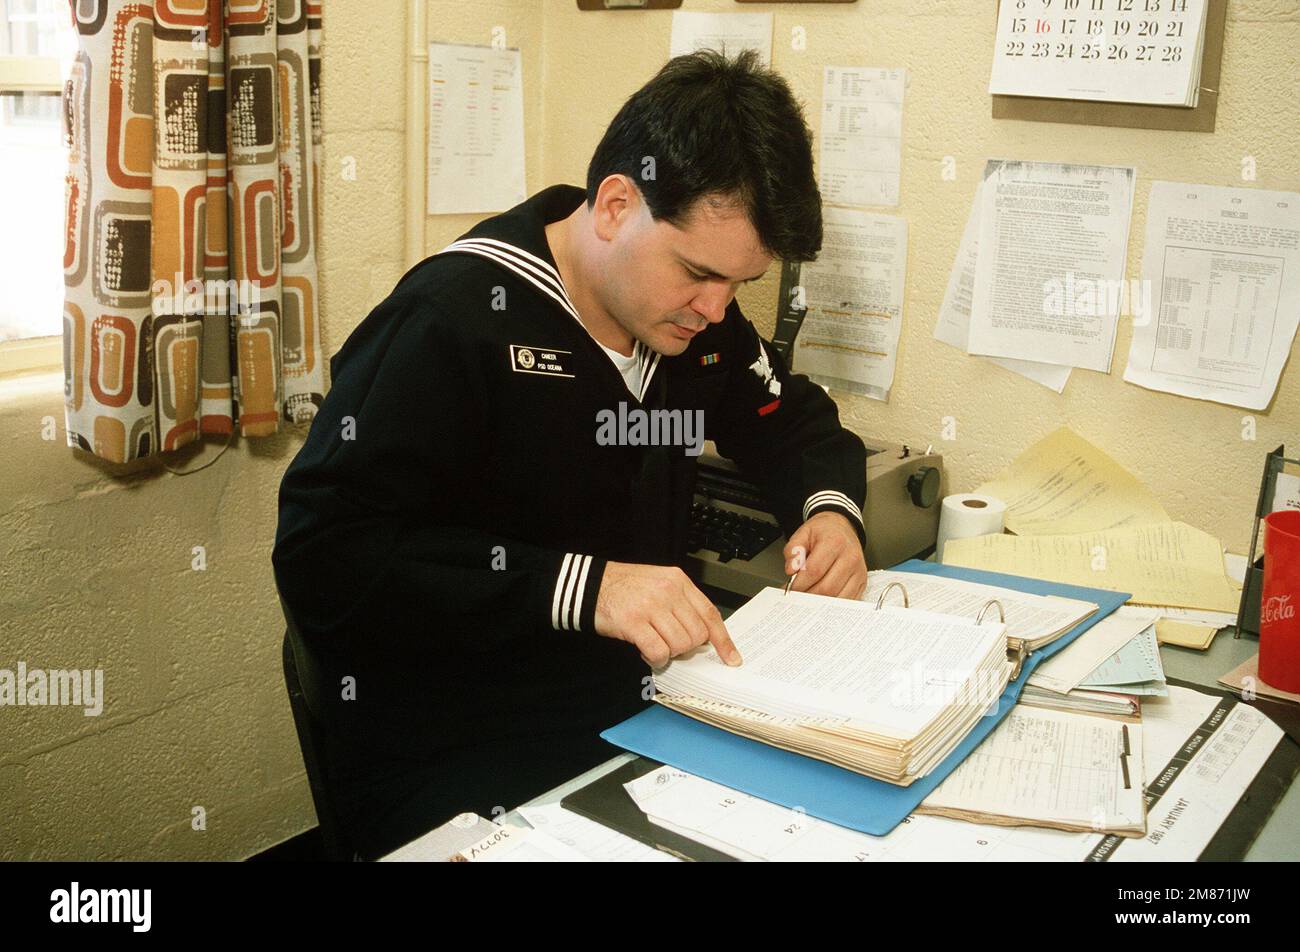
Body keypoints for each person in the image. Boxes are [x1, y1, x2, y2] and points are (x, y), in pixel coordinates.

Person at [272, 49, 869, 860]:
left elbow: (795, 424)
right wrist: (579, 586)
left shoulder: (696, 328)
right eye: (698, 273)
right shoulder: (451, 324)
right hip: (458, 741)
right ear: (617, 205)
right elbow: (325, 553)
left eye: (740, 285)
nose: (716, 309)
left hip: (634, 712)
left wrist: (830, 510)